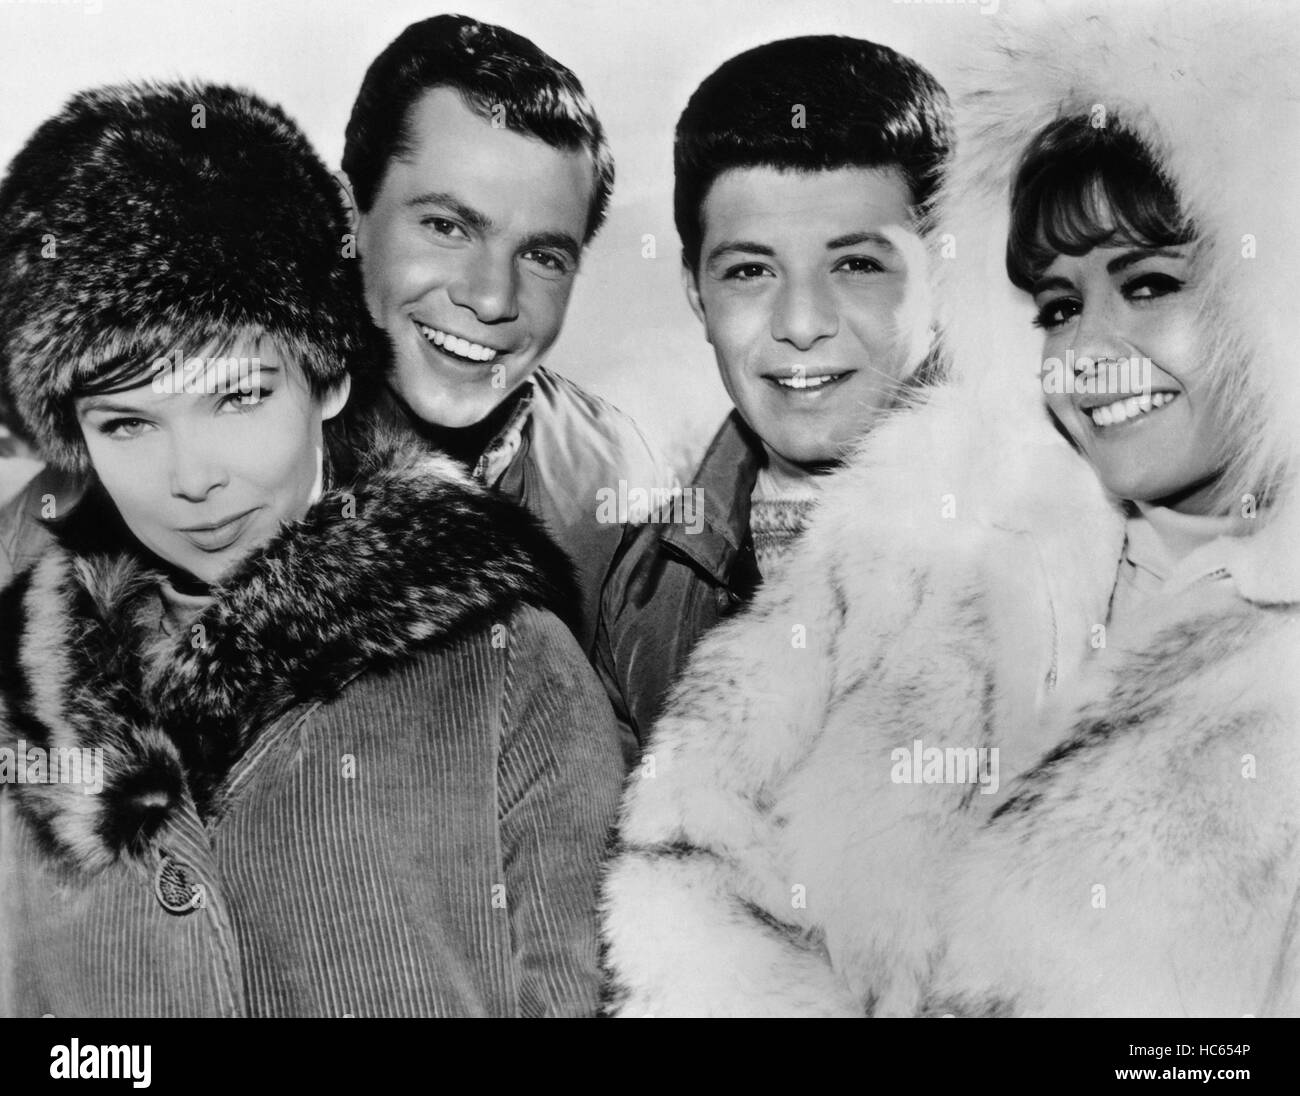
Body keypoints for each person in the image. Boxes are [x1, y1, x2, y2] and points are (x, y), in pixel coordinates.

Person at [601, 0, 1300, 1017]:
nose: (1086, 353)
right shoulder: (916, 530)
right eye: (1056, 305)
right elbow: (689, 861)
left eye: (1148, 285)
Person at [0, 81, 623, 1018]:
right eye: (127, 424)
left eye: (239, 398)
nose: (191, 477)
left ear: (328, 377)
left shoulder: (513, 670)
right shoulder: (25, 691)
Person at [595, 36, 951, 758]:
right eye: (751, 272)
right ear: (697, 294)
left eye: (856, 265)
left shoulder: (1048, 534)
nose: (801, 324)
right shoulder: (643, 586)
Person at [337, 13, 672, 654]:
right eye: (446, 226)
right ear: (349, 216)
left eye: (543, 258)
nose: (492, 298)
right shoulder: (232, 435)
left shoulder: (621, 481)